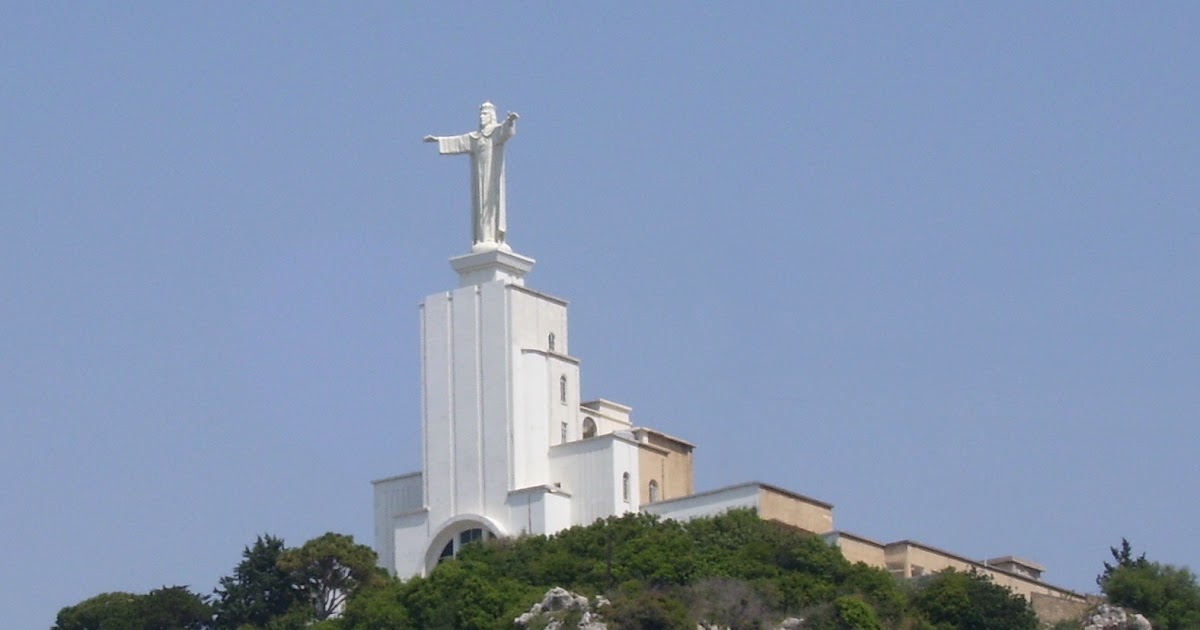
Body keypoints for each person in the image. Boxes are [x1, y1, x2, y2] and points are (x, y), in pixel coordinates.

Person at [424, 102, 519, 250]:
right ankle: (482, 238)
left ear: (492, 117)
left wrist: (511, 121)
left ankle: (493, 237)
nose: (482, 117)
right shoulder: (475, 137)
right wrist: (438, 140)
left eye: (485, 114)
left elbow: (505, 130)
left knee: (491, 203)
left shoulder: (494, 134)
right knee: (479, 206)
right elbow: (458, 141)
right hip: (479, 177)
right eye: (480, 114)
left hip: (492, 178)